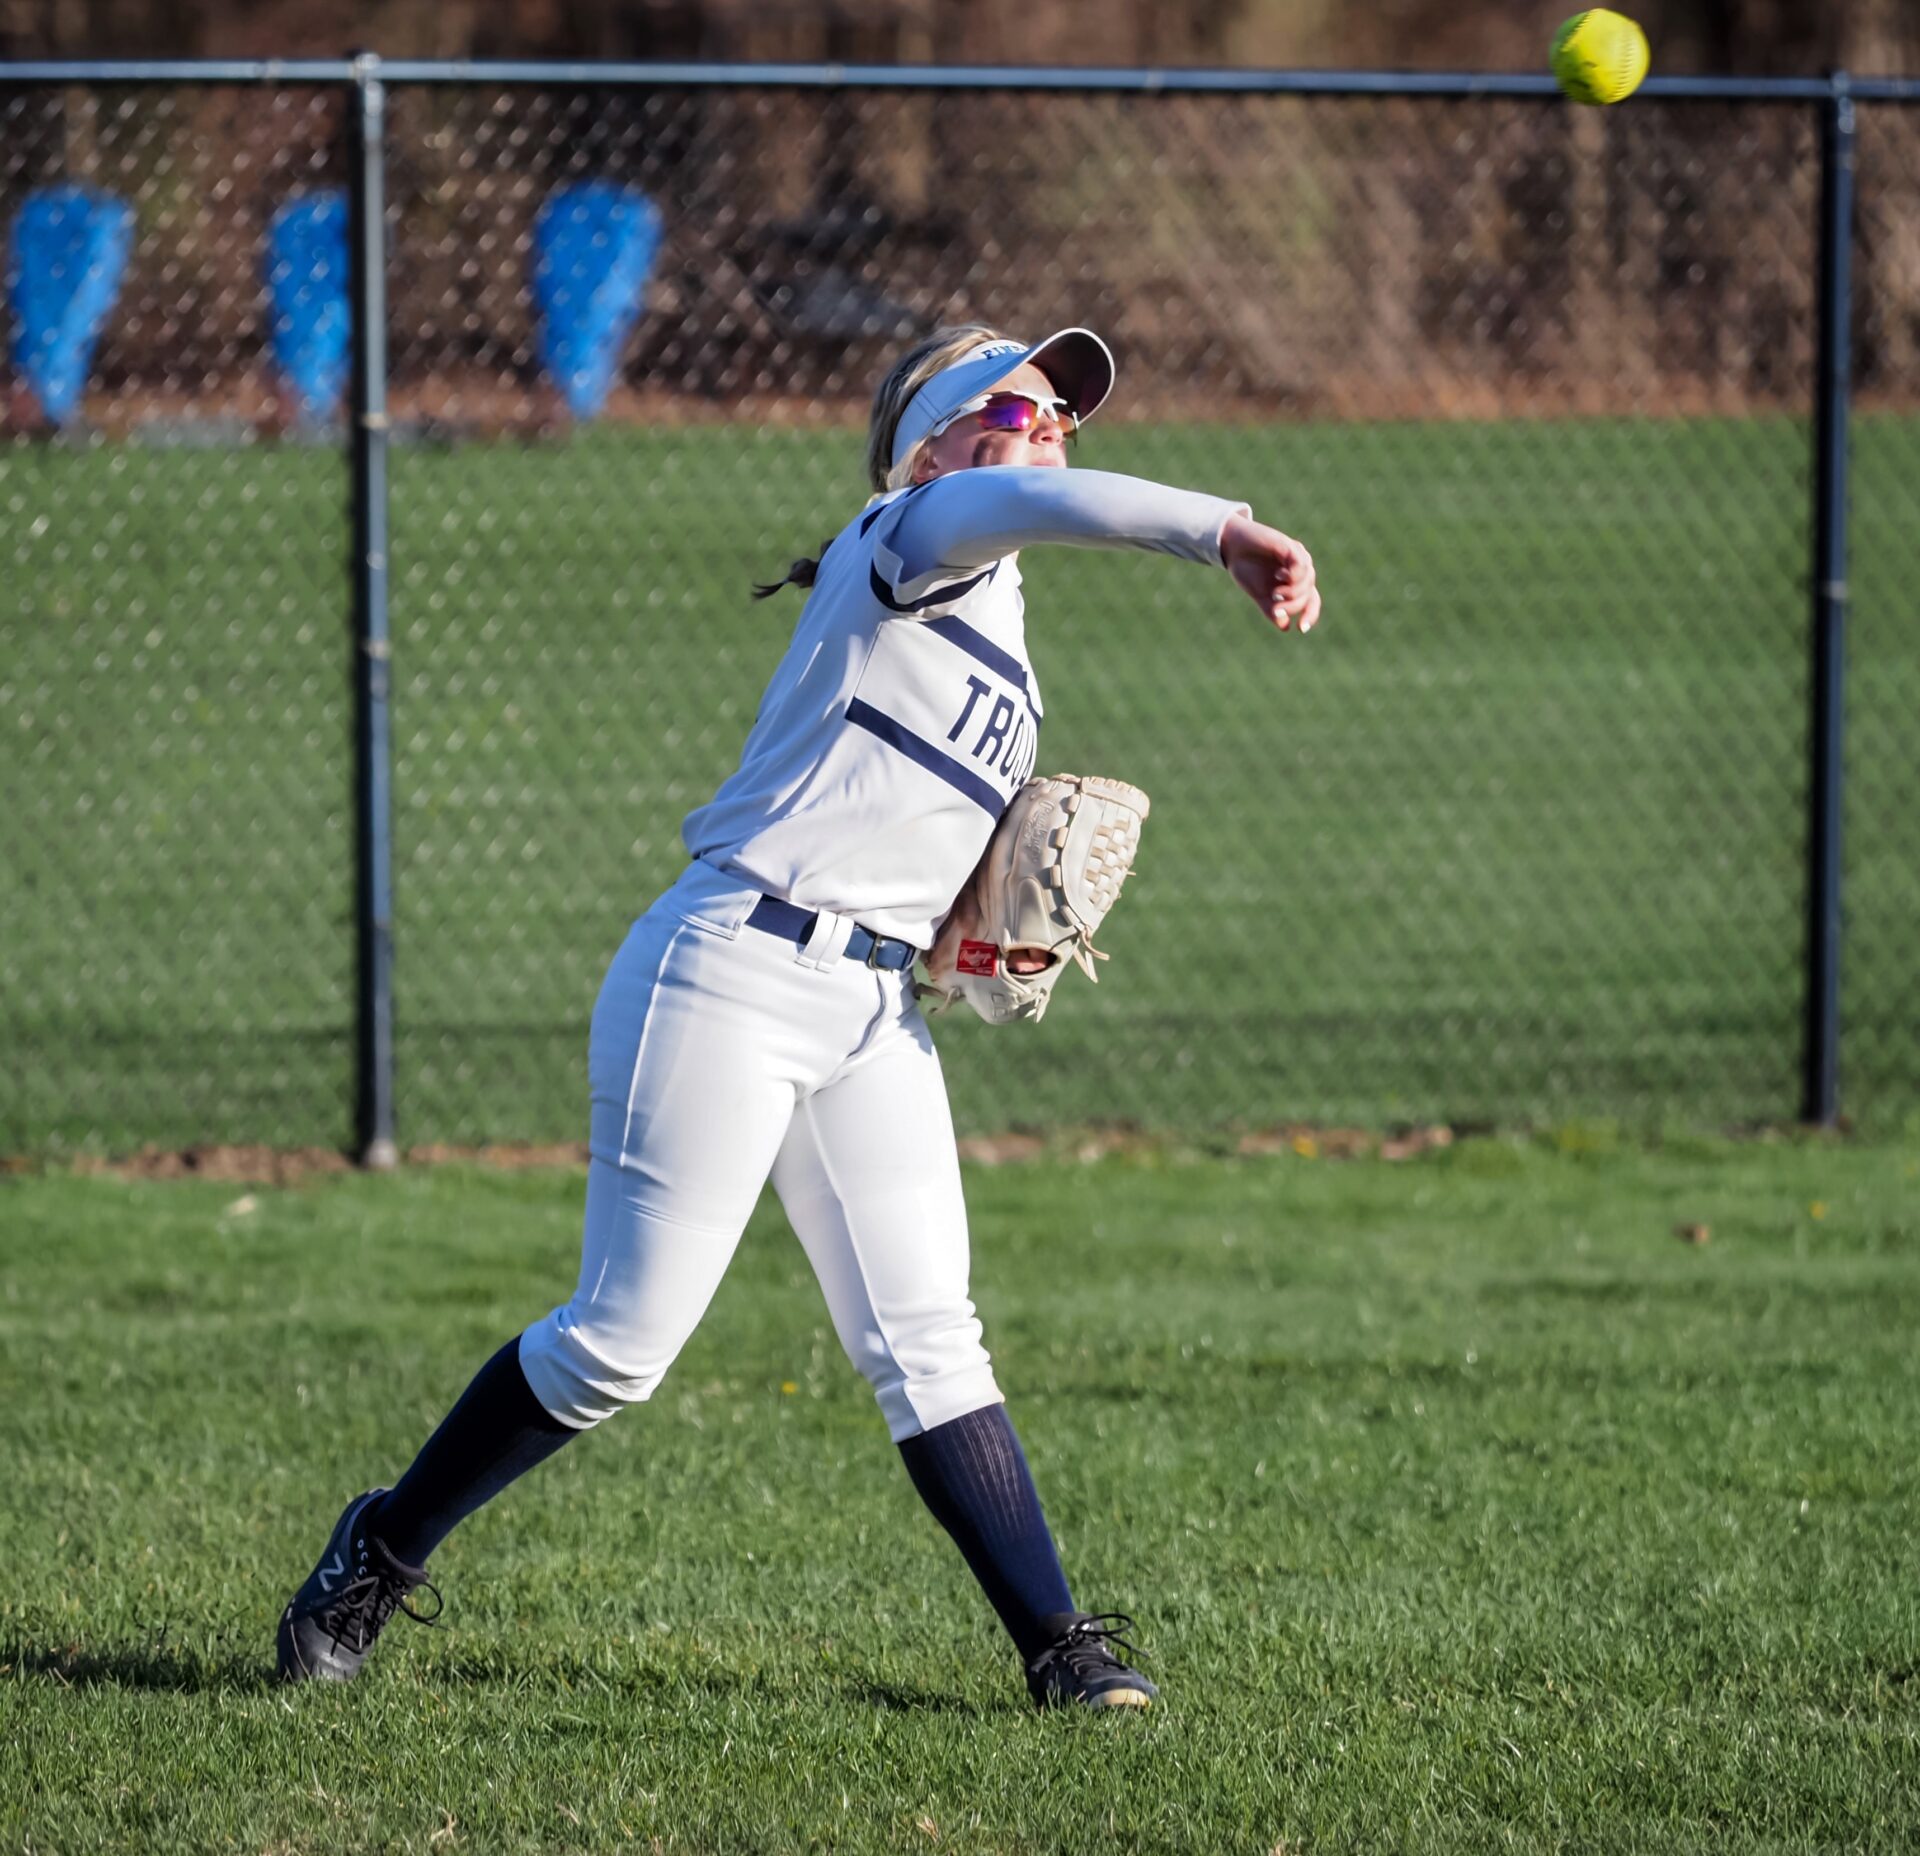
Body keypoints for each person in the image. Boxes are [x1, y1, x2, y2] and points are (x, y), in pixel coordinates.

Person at [276, 323, 1320, 1709]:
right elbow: (1036, 500)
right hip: (729, 974)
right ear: (930, 441)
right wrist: (1224, 531)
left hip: (874, 1004)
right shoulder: (915, 527)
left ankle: (1064, 1652)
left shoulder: (1001, 634)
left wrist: (961, 924)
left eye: (1069, 410)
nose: (1054, 423)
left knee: (932, 1337)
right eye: (1022, 401)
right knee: (617, 1347)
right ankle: (380, 1548)